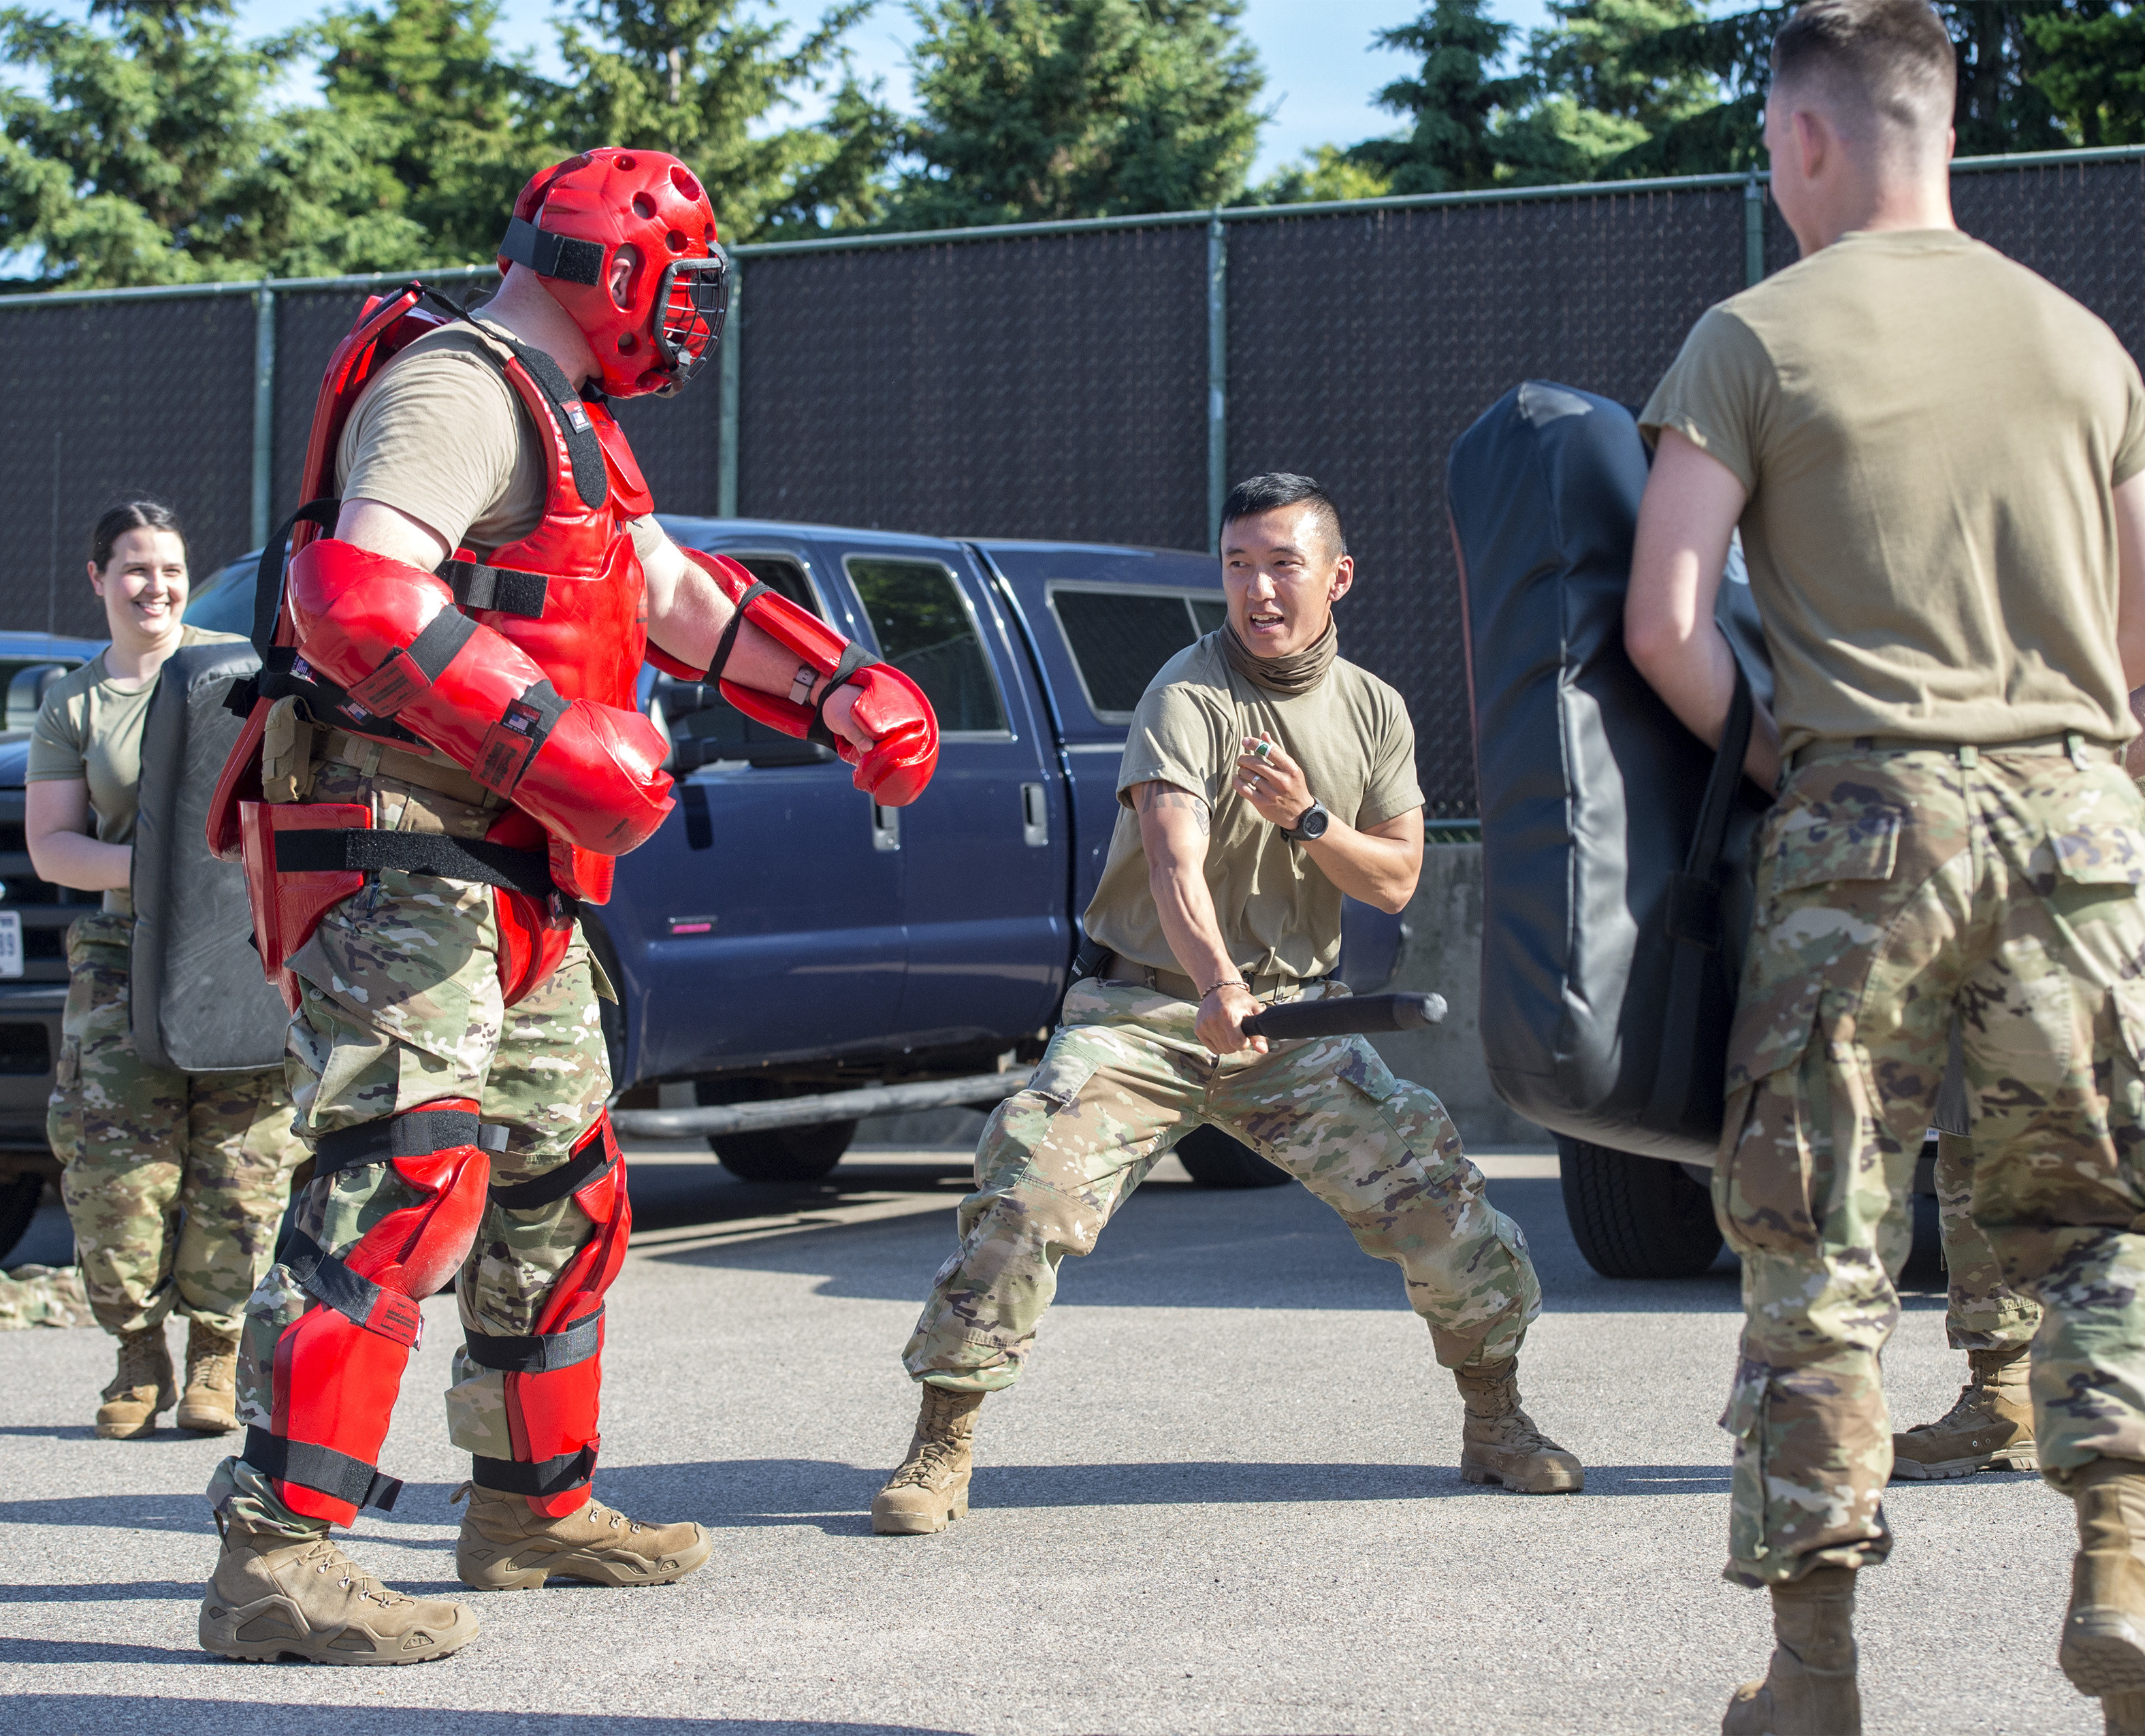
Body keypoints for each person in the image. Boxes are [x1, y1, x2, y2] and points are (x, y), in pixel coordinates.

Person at [193, 146, 939, 1666]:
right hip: (409, 848)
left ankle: (531, 1509)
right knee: (401, 1181)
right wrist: (548, 735)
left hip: (512, 864)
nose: (696, 313)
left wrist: (838, 689)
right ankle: (279, 1558)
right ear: (618, 262)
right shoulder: (458, 387)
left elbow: (665, 591)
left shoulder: (570, 414)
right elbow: (353, 595)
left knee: (565, 1185)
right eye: (688, 277)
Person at [1624, 2, 2145, 1731]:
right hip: (2085, 829)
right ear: (1941, 126)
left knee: (1821, 1246)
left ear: (1806, 137)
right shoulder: (2082, 346)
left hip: (1861, 824)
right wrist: (2070, 775)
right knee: (2117, 1218)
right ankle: (2120, 1569)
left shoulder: (1749, 335)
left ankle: (1814, 1674)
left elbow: (1668, 626)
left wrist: (1797, 763)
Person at [872, 472, 1577, 1538]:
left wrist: (1307, 820)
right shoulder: (1188, 694)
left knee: (1438, 1196)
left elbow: (1392, 877)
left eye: (1282, 563)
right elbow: (1171, 855)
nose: (1257, 589)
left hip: (1295, 1024)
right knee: (1027, 1186)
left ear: (1337, 576)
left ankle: (1497, 1419)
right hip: (1148, 1013)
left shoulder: (1374, 706)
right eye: (1238, 565)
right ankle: (943, 1439)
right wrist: (1214, 985)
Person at [1894, 528, 2145, 1490]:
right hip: (1994, 854)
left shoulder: (2118, 502)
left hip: (2134, 842)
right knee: (1982, 1124)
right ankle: (2000, 1390)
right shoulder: (1951, 516)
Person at [27, 502, 302, 1438]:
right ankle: (137, 1354)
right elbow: (55, 847)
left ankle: (218, 1356)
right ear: (99, 579)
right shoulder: (75, 702)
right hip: (121, 955)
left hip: (238, 947)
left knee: (243, 1164)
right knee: (117, 1170)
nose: (157, 585)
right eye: (135, 568)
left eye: (172, 568)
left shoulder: (237, 674)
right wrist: (164, 879)